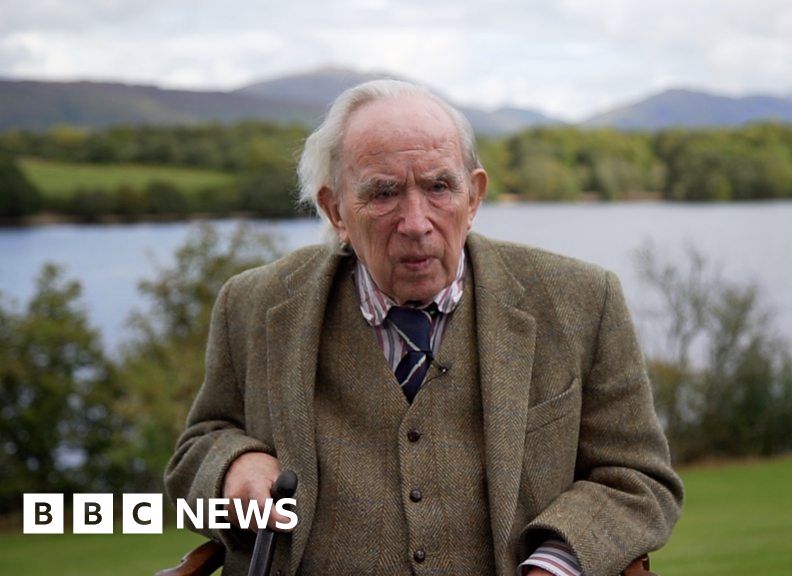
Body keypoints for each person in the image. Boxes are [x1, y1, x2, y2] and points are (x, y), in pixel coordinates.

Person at [164, 79, 683, 576]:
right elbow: (198, 447)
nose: (416, 222)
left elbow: (637, 479)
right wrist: (234, 464)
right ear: (335, 209)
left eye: (439, 187)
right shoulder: (252, 305)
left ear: (474, 196)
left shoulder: (582, 300)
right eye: (384, 193)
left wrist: (555, 564)